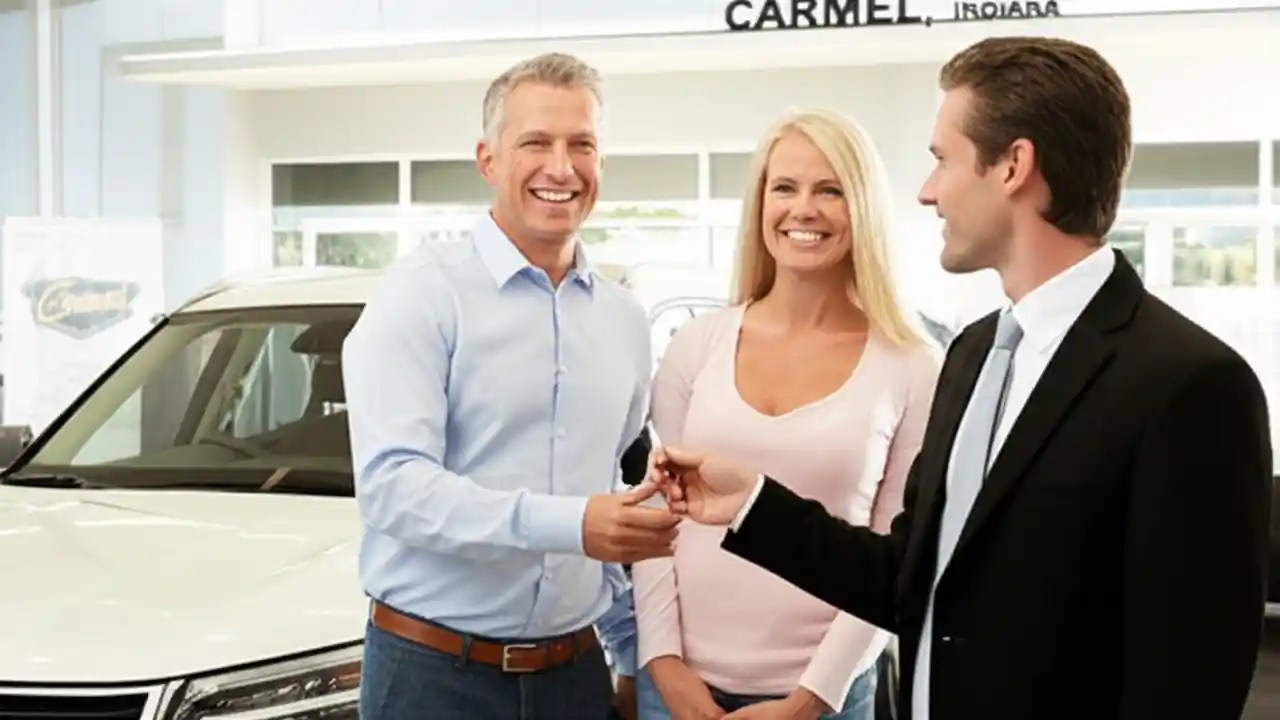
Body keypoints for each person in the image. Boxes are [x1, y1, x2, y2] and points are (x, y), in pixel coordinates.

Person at [648, 36, 1274, 720]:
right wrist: (752, 503)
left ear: (1013, 167)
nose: (926, 191)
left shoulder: (1190, 385)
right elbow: (912, 577)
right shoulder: (977, 353)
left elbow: (1186, 683)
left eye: (942, 159)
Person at [343, 51, 680, 720]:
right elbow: (392, 487)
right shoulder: (422, 292)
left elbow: (609, 488)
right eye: (536, 143)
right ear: (488, 160)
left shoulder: (624, 319)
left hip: (575, 677)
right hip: (432, 680)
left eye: (582, 145)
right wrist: (571, 524)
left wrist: (631, 653)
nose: (562, 167)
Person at [630, 108, 940, 720]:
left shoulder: (913, 365)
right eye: (785, 188)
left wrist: (809, 699)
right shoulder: (698, 344)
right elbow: (657, 513)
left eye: (830, 190)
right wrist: (663, 664)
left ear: (864, 208)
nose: (804, 209)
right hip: (676, 691)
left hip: (825, 699)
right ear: (760, 203)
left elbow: (897, 557)